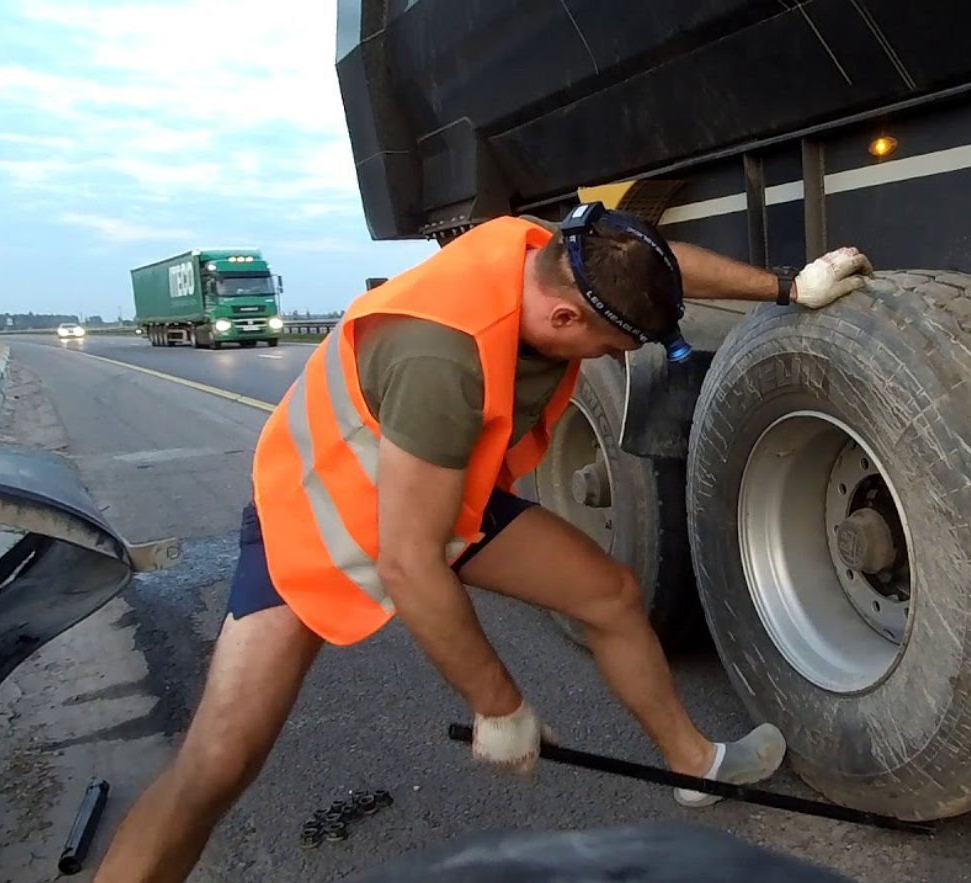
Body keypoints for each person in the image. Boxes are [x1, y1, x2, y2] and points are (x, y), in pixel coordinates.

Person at [92, 202, 874, 883]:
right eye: (609, 346)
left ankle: (693, 762)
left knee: (608, 594)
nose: (610, 358)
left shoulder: (544, 250)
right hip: (323, 513)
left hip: (437, 490)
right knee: (219, 762)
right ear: (566, 317)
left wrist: (785, 285)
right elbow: (406, 558)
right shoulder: (443, 358)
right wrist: (498, 704)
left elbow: (661, 268)